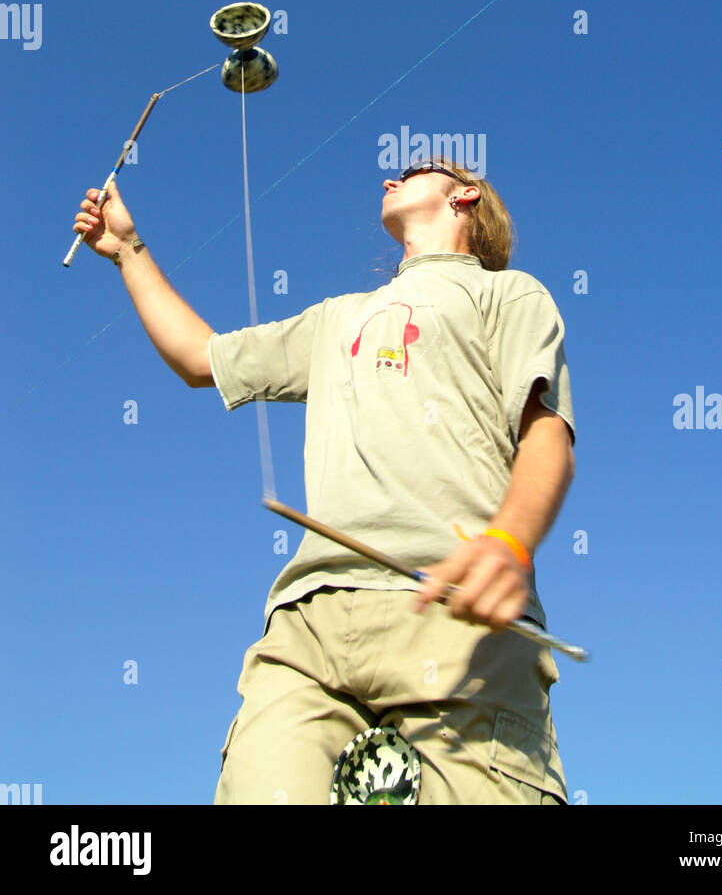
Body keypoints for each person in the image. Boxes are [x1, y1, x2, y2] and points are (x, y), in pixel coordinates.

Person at [72, 157, 577, 805]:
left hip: (460, 618)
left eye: (416, 168)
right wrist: (126, 249)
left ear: (465, 196)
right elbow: (202, 358)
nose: (390, 177)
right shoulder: (338, 318)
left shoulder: (510, 295)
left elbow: (547, 433)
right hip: (310, 625)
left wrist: (510, 543)